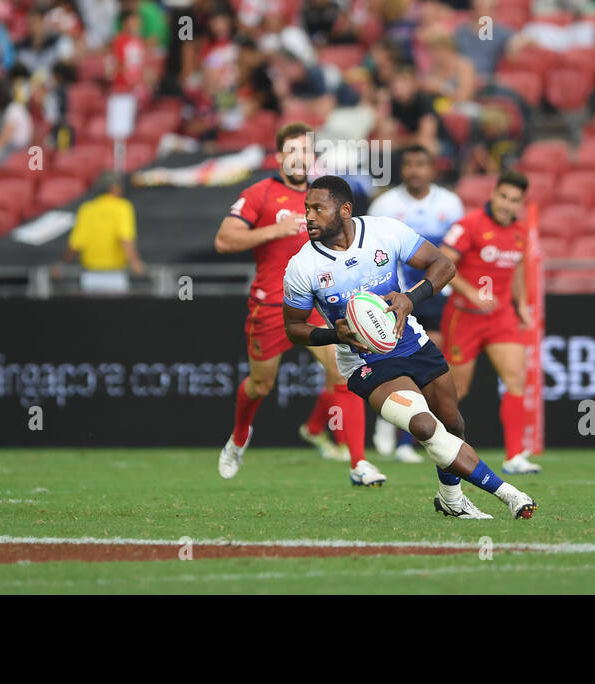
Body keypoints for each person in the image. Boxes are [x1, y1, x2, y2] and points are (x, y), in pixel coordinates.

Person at [282, 175, 537, 520]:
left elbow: (444, 265)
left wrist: (410, 298)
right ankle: (509, 494)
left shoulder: (385, 231)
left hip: (412, 342)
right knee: (424, 426)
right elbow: (294, 328)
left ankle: (450, 498)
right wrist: (335, 335)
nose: (308, 216)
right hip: (364, 361)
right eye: (306, 209)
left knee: (453, 425)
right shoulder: (302, 265)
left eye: (317, 208)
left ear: (344, 210)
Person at [214, 124, 386, 485]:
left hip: (317, 302)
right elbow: (224, 241)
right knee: (261, 385)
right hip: (273, 303)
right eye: (290, 151)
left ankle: (359, 462)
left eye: (304, 151)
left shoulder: (325, 195)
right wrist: (272, 230)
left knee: (343, 373)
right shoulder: (260, 194)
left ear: (313, 157)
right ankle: (240, 435)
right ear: (278, 157)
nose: (298, 158)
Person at [367, 144, 465, 462]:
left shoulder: (450, 204)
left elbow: (454, 252)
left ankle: (405, 436)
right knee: (399, 366)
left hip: (436, 294)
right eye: (408, 165)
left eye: (421, 164)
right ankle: (398, 430)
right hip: (397, 296)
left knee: (430, 369)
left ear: (432, 168)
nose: (414, 171)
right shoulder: (385, 203)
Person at [438, 171, 539, 475]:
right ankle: (425, 436)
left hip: (500, 317)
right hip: (463, 317)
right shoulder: (468, 226)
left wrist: (520, 304)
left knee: (516, 380)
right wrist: (472, 294)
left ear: (521, 203)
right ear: (494, 194)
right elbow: (443, 262)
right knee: (457, 389)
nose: (507, 204)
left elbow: (517, 269)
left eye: (514, 200)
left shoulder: (520, 231)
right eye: (504, 196)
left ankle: (515, 456)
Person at [66, 171, 146, 294]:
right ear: (114, 188)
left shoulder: (86, 209)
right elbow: (125, 238)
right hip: (114, 276)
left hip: (90, 277)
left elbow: (76, 243)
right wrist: (135, 262)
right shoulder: (122, 207)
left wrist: (62, 264)